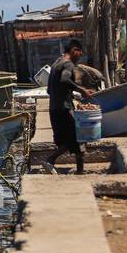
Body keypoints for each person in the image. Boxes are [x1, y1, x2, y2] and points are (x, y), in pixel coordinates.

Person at [45, 39, 95, 174]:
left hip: (54, 109)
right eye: (79, 52)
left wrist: (68, 95)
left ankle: (79, 171)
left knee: (67, 140)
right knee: (79, 138)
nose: (80, 55)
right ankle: (51, 160)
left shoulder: (56, 63)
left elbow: (49, 90)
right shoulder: (68, 64)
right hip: (64, 108)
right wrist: (81, 90)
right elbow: (65, 79)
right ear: (74, 50)